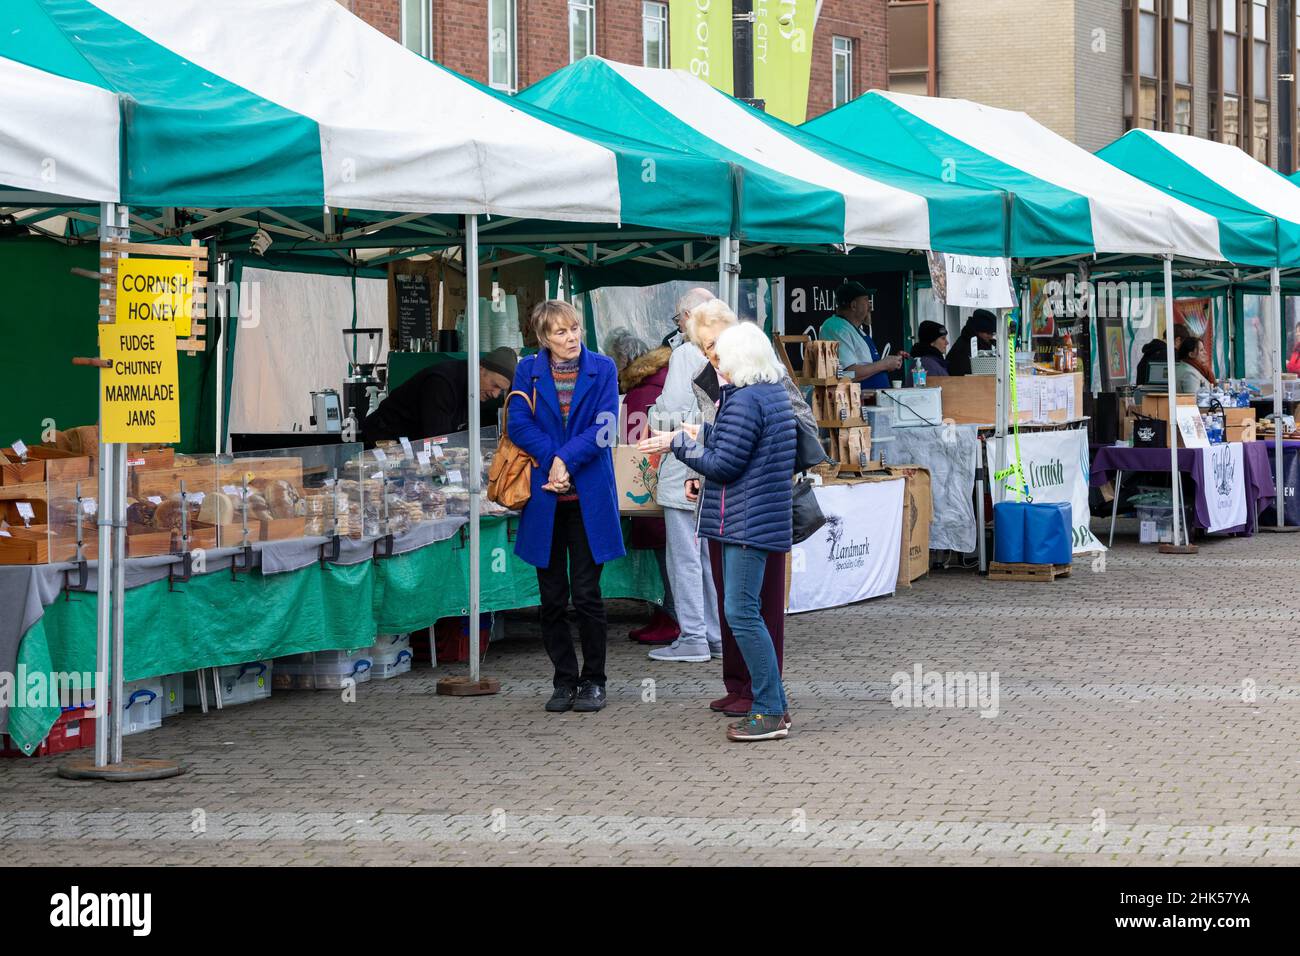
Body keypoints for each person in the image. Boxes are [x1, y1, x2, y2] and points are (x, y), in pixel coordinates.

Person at [643, 299, 814, 717]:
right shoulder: (711, 374)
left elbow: (793, 429)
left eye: (715, 343)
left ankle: (765, 694)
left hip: (757, 503)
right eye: (703, 347)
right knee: (731, 600)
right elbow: (721, 440)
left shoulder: (759, 374)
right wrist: (699, 469)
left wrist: (699, 451)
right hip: (726, 498)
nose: (710, 355)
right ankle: (739, 685)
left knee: (754, 605)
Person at [507, 301, 624, 714]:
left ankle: (594, 681)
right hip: (545, 499)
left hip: (588, 496)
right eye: (560, 332)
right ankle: (563, 681)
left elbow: (607, 425)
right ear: (544, 338)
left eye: (574, 328)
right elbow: (517, 423)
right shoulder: (528, 369)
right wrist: (553, 459)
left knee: (588, 595)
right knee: (552, 597)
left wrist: (565, 460)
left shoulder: (604, 367)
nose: (571, 337)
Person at [642, 288, 720, 661]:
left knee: (685, 556)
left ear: (689, 316)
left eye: (677, 318)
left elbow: (668, 412)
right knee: (706, 557)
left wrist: (653, 412)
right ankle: (715, 634)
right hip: (715, 463)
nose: (677, 325)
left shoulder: (687, 353)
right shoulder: (724, 350)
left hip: (685, 463)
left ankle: (693, 637)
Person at [611, 329, 680, 646]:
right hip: (674, 483)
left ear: (624, 360)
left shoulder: (640, 394)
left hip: (652, 489)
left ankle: (672, 619)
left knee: (668, 559)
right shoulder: (668, 378)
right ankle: (665, 615)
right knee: (674, 557)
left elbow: (630, 445)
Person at [363, 348, 516, 443]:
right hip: (383, 438)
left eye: (501, 390)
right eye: (495, 385)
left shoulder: (479, 389)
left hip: (412, 444)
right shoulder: (442, 383)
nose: (496, 395)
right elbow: (438, 440)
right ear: (480, 369)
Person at [818, 281, 903, 390]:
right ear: (853, 305)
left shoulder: (857, 330)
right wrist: (883, 365)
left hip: (872, 400)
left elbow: (868, 367)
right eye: (867, 300)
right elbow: (845, 374)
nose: (870, 305)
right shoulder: (836, 328)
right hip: (855, 402)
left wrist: (890, 363)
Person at [946, 309, 998, 376]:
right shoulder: (964, 348)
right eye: (988, 333)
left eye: (993, 333)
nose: (991, 337)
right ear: (978, 330)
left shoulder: (985, 342)